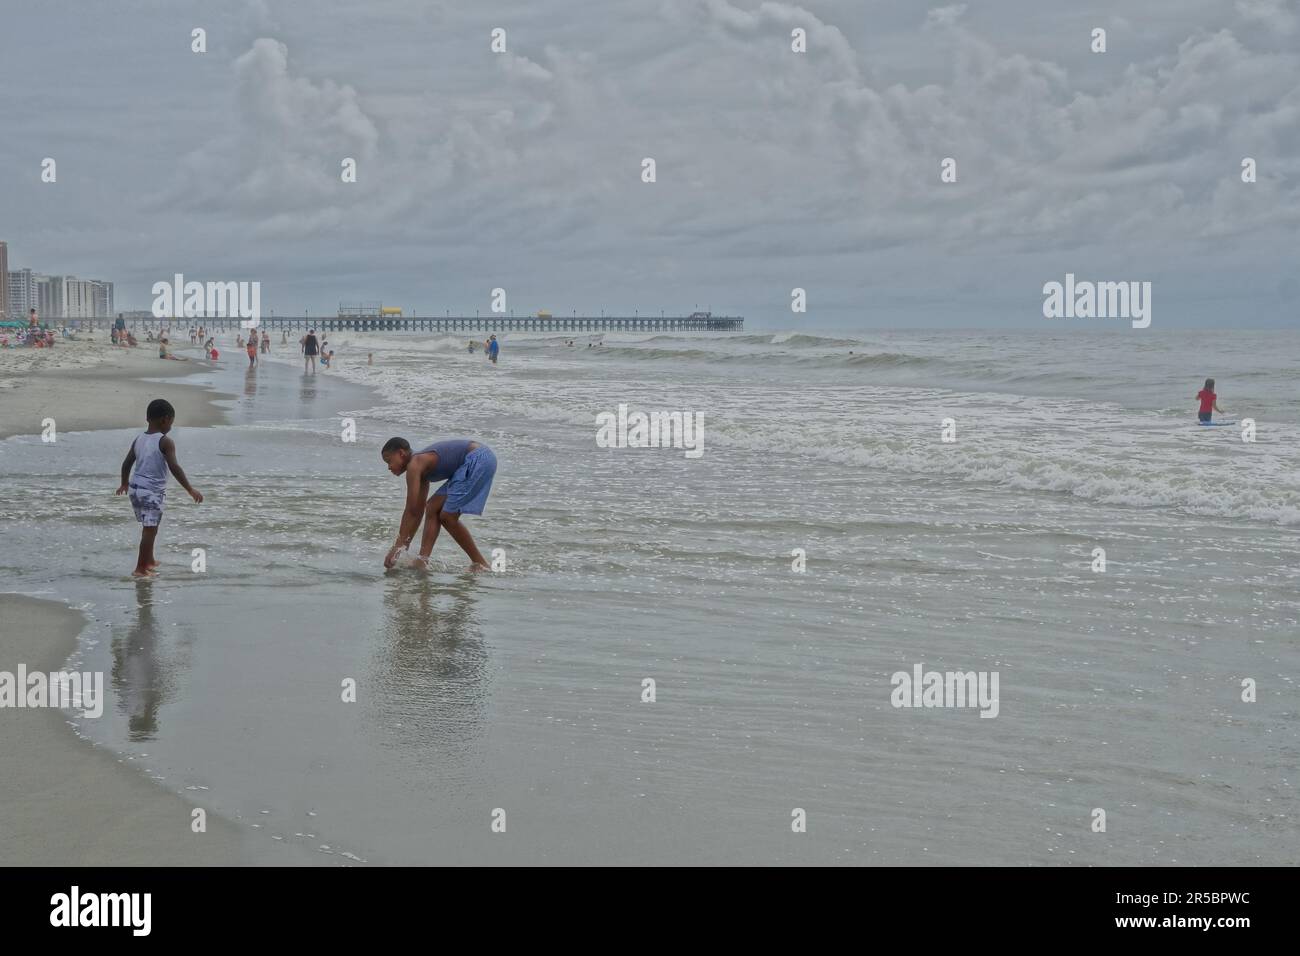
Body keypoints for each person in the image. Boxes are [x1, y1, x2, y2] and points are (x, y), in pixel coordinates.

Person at [380, 437, 498, 572]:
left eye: (389, 461)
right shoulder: (420, 470)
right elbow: (417, 511)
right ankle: (422, 560)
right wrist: (403, 547)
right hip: (480, 458)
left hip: (479, 458)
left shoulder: (415, 464)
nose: (389, 467)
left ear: (401, 453)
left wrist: (397, 547)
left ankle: (480, 563)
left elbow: (410, 510)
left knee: (448, 517)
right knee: (432, 507)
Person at [115, 398, 203, 577]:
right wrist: (190, 489)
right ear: (165, 419)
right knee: (149, 529)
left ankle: (150, 560)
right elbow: (175, 468)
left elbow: (126, 464)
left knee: (150, 526)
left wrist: (124, 483)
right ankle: (140, 568)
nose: (171, 426)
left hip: (135, 489)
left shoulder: (138, 439)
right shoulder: (165, 442)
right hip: (151, 492)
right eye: (171, 422)